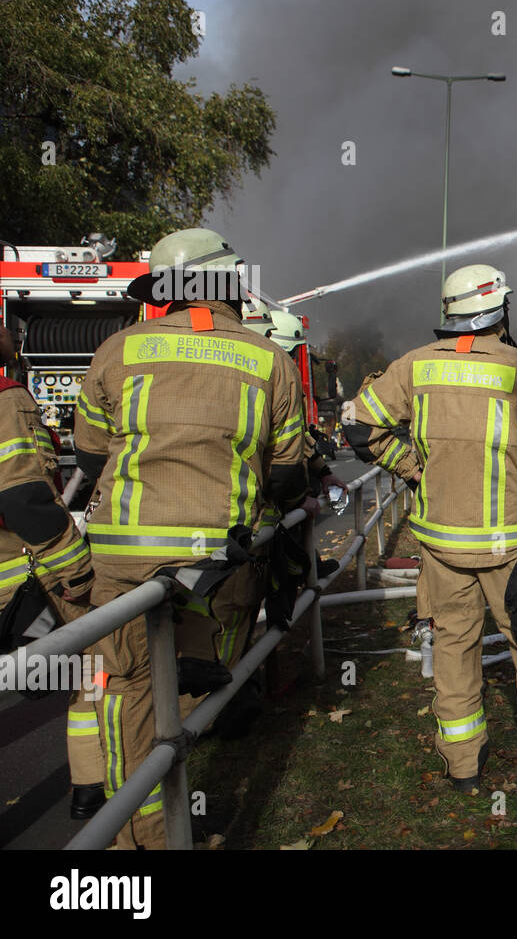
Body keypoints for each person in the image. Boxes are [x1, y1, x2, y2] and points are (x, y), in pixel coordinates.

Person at [74, 227, 308, 848]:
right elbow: (287, 477)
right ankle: (181, 804)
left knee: (129, 692)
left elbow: (91, 456)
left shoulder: (117, 351)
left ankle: (139, 837)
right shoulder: (271, 361)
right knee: (191, 693)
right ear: (228, 281)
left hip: (123, 561)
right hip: (215, 563)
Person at [344, 263, 517, 791]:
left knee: (453, 647)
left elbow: (359, 424)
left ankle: (464, 766)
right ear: (499, 309)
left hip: (440, 545)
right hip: (508, 545)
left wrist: (413, 466)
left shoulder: (414, 367)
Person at [0, 327, 102, 819]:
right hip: (17, 573)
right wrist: (77, 569)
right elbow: (23, 496)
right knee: (95, 667)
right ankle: (93, 788)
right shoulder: (8, 400)